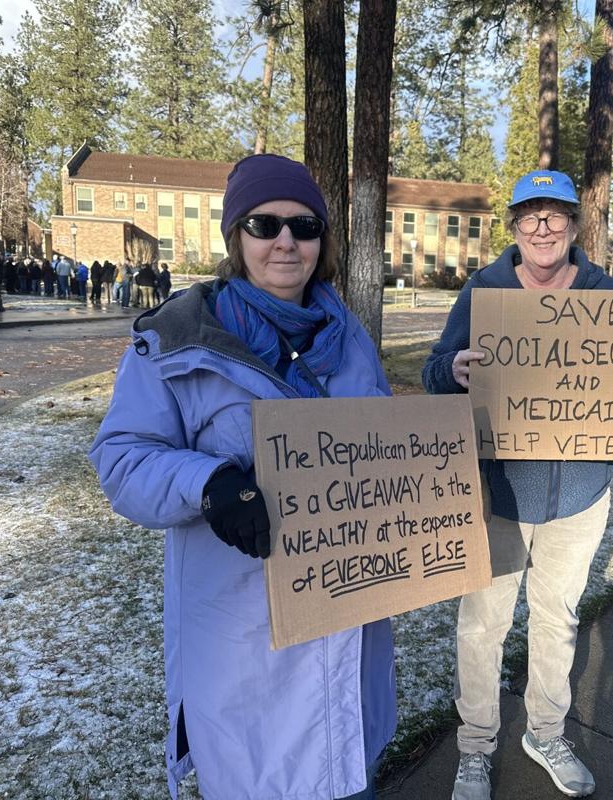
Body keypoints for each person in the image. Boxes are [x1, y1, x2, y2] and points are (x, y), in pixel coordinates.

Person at [88, 154, 396, 800]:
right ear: (237, 236)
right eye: (264, 224)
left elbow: (383, 450)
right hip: (247, 652)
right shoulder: (176, 342)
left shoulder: (352, 339)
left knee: (346, 778)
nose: (286, 241)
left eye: (304, 226)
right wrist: (208, 484)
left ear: (322, 241)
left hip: (346, 640)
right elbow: (121, 458)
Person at [422, 170, 613, 800]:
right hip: (497, 496)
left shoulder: (605, 293)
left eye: (555, 216)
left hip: (579, 497)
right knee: (481, 627)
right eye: (530, 216)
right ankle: (475, 746)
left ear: (574, 224)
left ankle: (545, 733)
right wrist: (451, 369)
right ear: (515, 225)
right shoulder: (485, 290)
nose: (542, 229)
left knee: (557, 621)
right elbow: (436, 369)